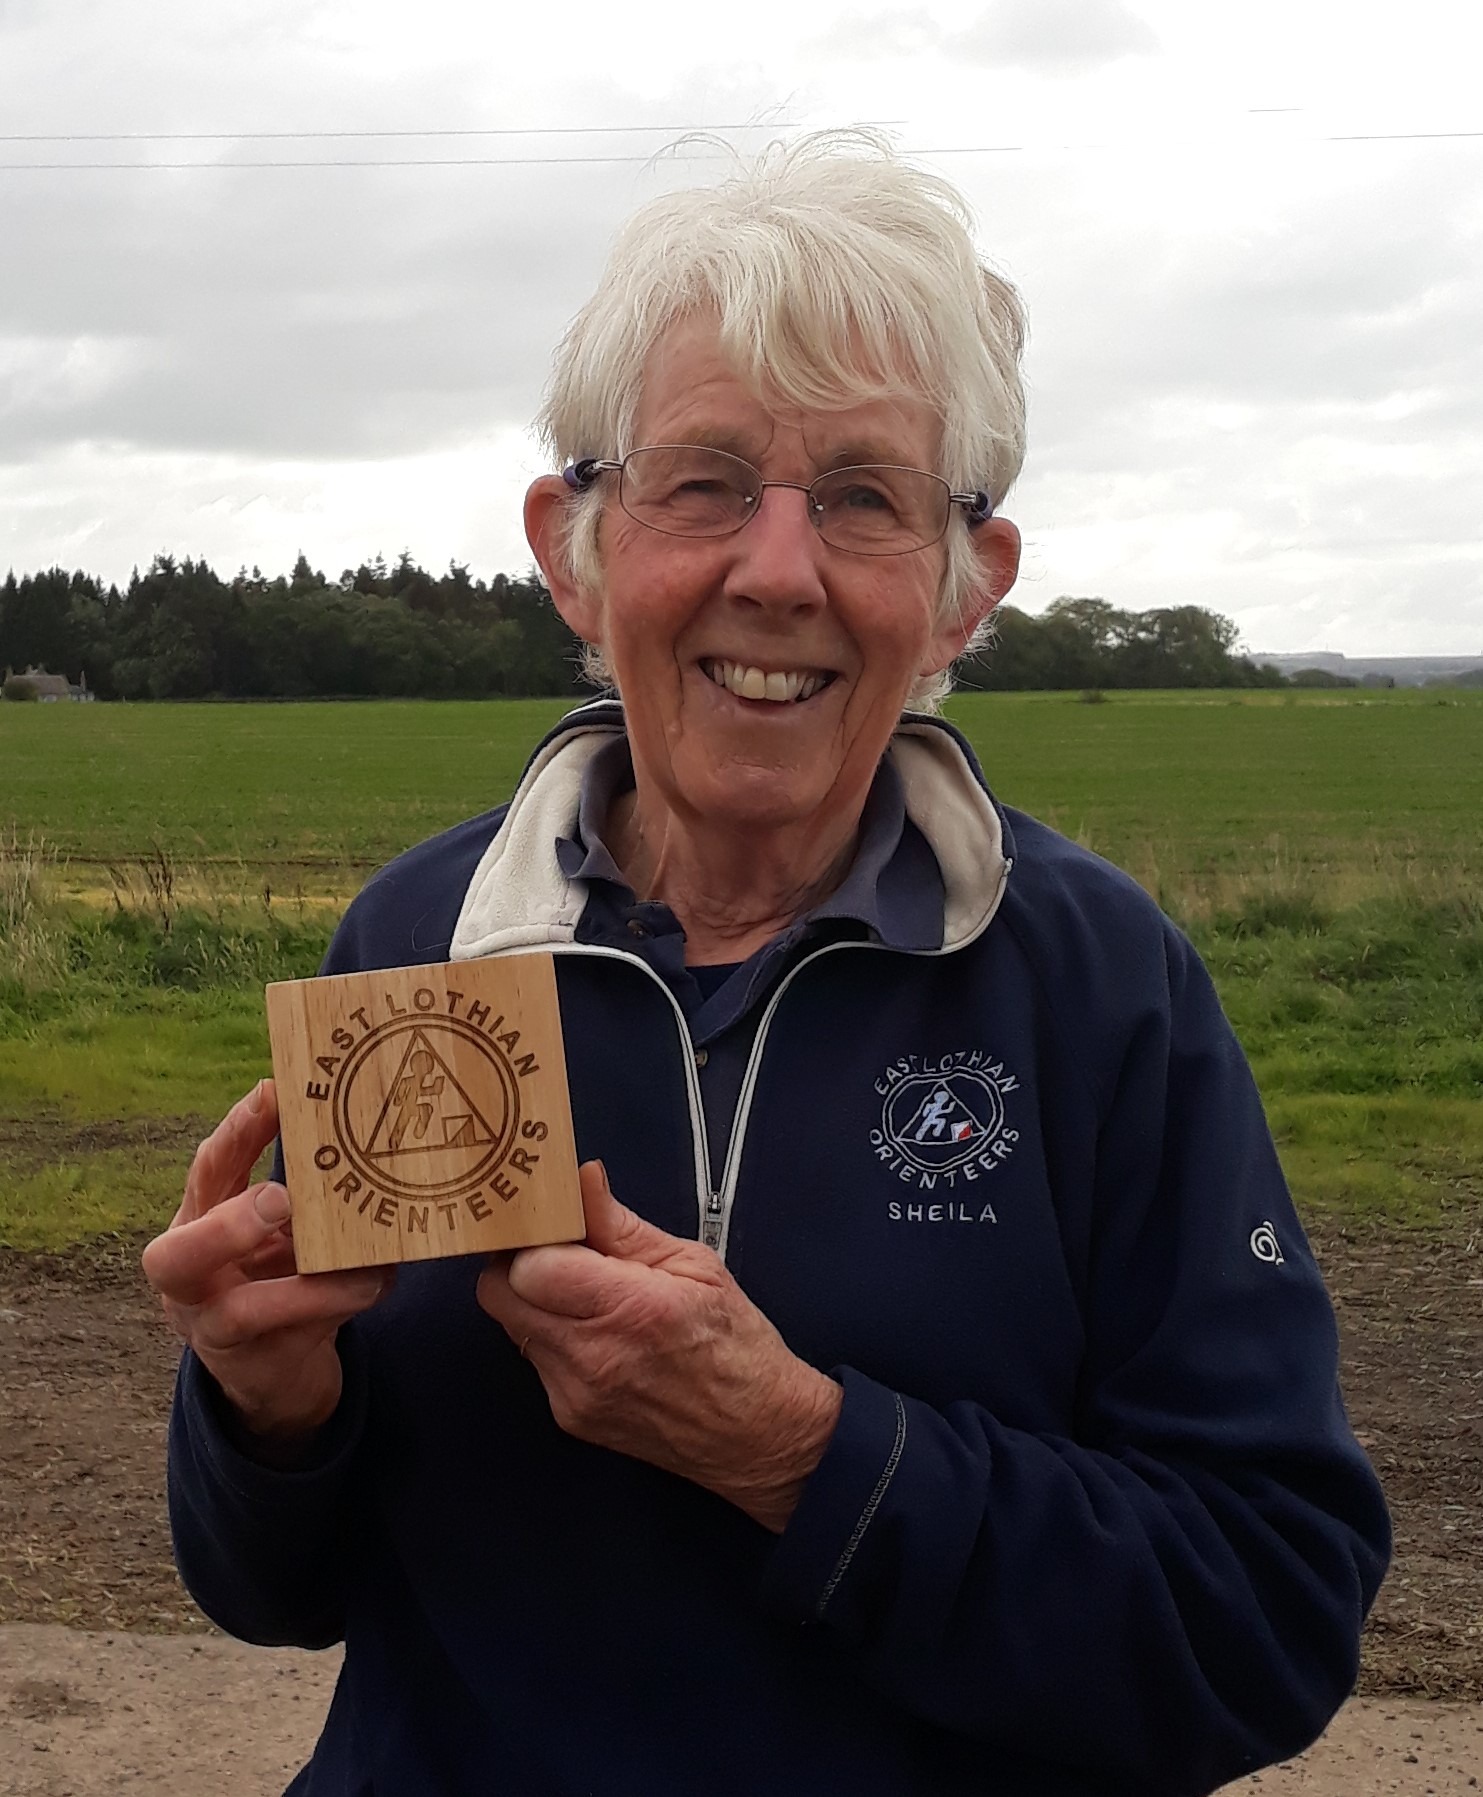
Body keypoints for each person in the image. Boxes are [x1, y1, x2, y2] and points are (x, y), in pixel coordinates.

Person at [143, 133, 1389, 1796]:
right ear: (573, 548)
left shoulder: (1102, 989)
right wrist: (266, 1409)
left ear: (965, 589)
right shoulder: (419, 943)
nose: (777, 570)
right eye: (704, 479)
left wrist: (807, 1452)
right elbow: (276, 1591)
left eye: (865, 497)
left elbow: (1271, 1616)